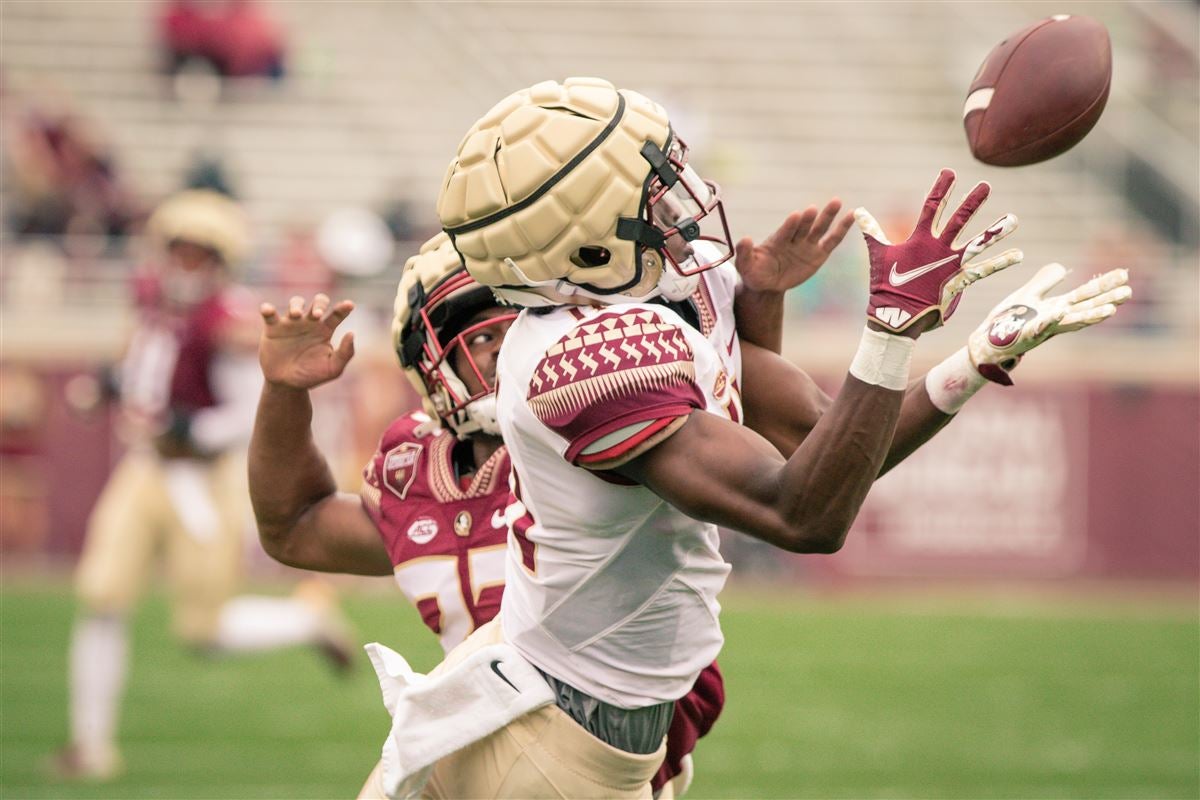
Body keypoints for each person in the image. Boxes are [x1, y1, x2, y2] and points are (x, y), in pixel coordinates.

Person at [359, 76, 1128, 799]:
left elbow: (829, 451)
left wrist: (970, 361)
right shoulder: (582, 362)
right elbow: (805, 513)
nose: (684, 204)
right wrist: (889, 332)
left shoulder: (637, 296)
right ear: (588, 250)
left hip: (535, 697)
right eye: (653, 196)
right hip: (553, 738)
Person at [249, 233, 731, 798]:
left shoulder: (591, 446)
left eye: (524, 328)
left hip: (597, 737)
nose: (510, 350)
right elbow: (295, 529)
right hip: (471, 728)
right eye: (487, 336)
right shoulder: (416, 469)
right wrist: (283, 392)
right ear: (435, 361)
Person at [53, 190, 354, 781]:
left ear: (220, 262)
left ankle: (308, 621)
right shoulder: (151, 299)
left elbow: (247, 415)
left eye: (199, 255)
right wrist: (107, 386)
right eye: (179, 252)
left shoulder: (234, 322)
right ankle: (91, 748)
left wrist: (192, 427)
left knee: (203, 631)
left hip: (204, 480)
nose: (186, 266)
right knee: (101, 597)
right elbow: (138, 361)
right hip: (145, 470)